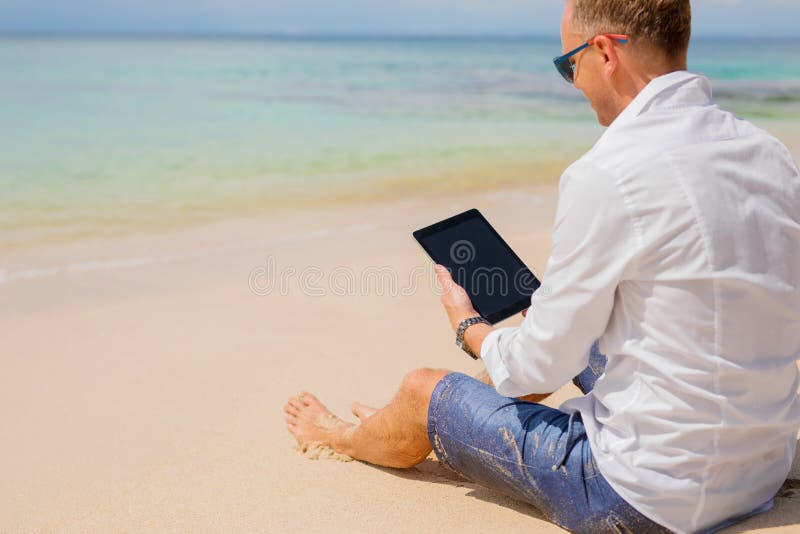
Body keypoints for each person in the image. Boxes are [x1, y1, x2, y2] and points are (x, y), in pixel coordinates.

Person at [283, 0, 800, 532]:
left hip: (648, 495)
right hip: (759, 467)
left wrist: (471, 329)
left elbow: (540, 366)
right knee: (556, 332)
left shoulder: (608, 172)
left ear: (604, 53)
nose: (572, 83)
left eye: (567, 64)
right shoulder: (768, 154)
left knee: (423, 388)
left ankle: (349, 433)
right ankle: (441, 419)